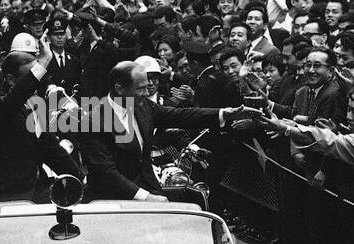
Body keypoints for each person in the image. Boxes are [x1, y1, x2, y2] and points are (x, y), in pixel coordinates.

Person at [79, 60, 254, 202]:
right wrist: (145, 198)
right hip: (110, 198)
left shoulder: (143, 105)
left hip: (149, 187)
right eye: (140, 89)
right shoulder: (93, 121)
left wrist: (224, 113)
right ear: (119, 89)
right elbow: (106, 172)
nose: (146, 92)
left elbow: (181, 115)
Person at [0, 46, 82, 202]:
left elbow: (48, 146)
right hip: (7, 193)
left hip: (36, 188)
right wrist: (43, 63)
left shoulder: (33, 105)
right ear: (10, 79)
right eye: (32, 77)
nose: (36, 83)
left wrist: (80, 177)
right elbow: (12, 103)